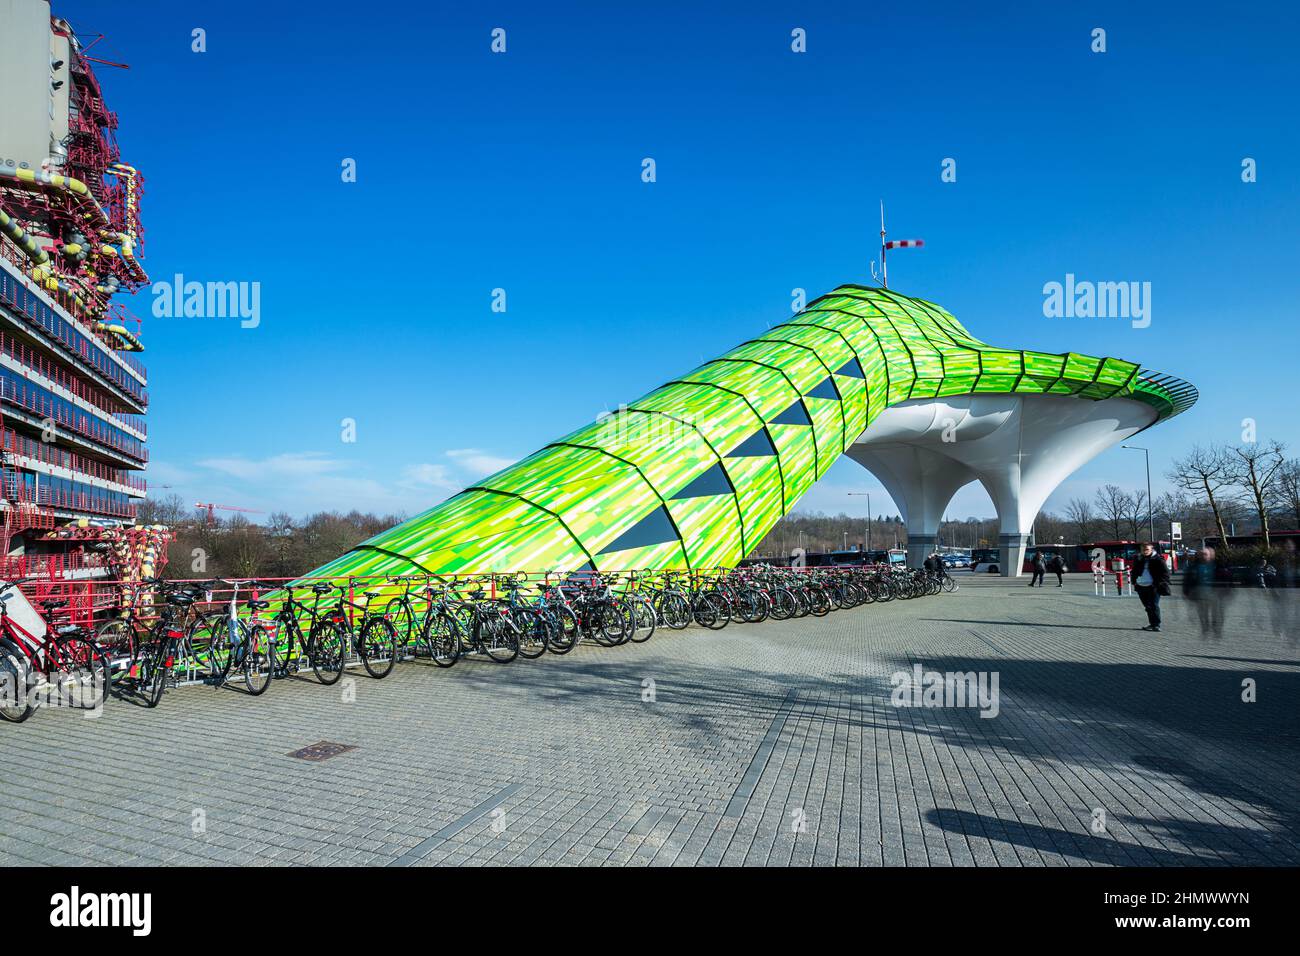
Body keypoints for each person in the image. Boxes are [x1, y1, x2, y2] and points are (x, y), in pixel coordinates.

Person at [1181, 545, 1229, 639]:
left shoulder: (1218, 566)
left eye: (1205, 554)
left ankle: (1216, 630)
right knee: (1203, 614)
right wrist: (1186, 591)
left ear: (1211, 555)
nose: (1203, 556)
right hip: (1200, 593)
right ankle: (1205, 629)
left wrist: (1225, 591)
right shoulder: (1194, 566)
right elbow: (1187, 580)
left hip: (1215, 594)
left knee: (1216, 613)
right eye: (1202, 554)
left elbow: (1226, 579)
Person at [1131, 542, 1169, 632]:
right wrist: (1134, 582)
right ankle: (1152, 624)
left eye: (1147, 549)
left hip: (1153, 586)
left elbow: (1166, 573)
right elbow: (1134, 571)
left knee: (1153, 605)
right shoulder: (1138, 558)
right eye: (1143, 549)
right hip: (1140, 586)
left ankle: (1156, 625)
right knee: (1147, 606)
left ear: (1151, 549)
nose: (1145, 551)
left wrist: (1159, 583)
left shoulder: (1158, 559)